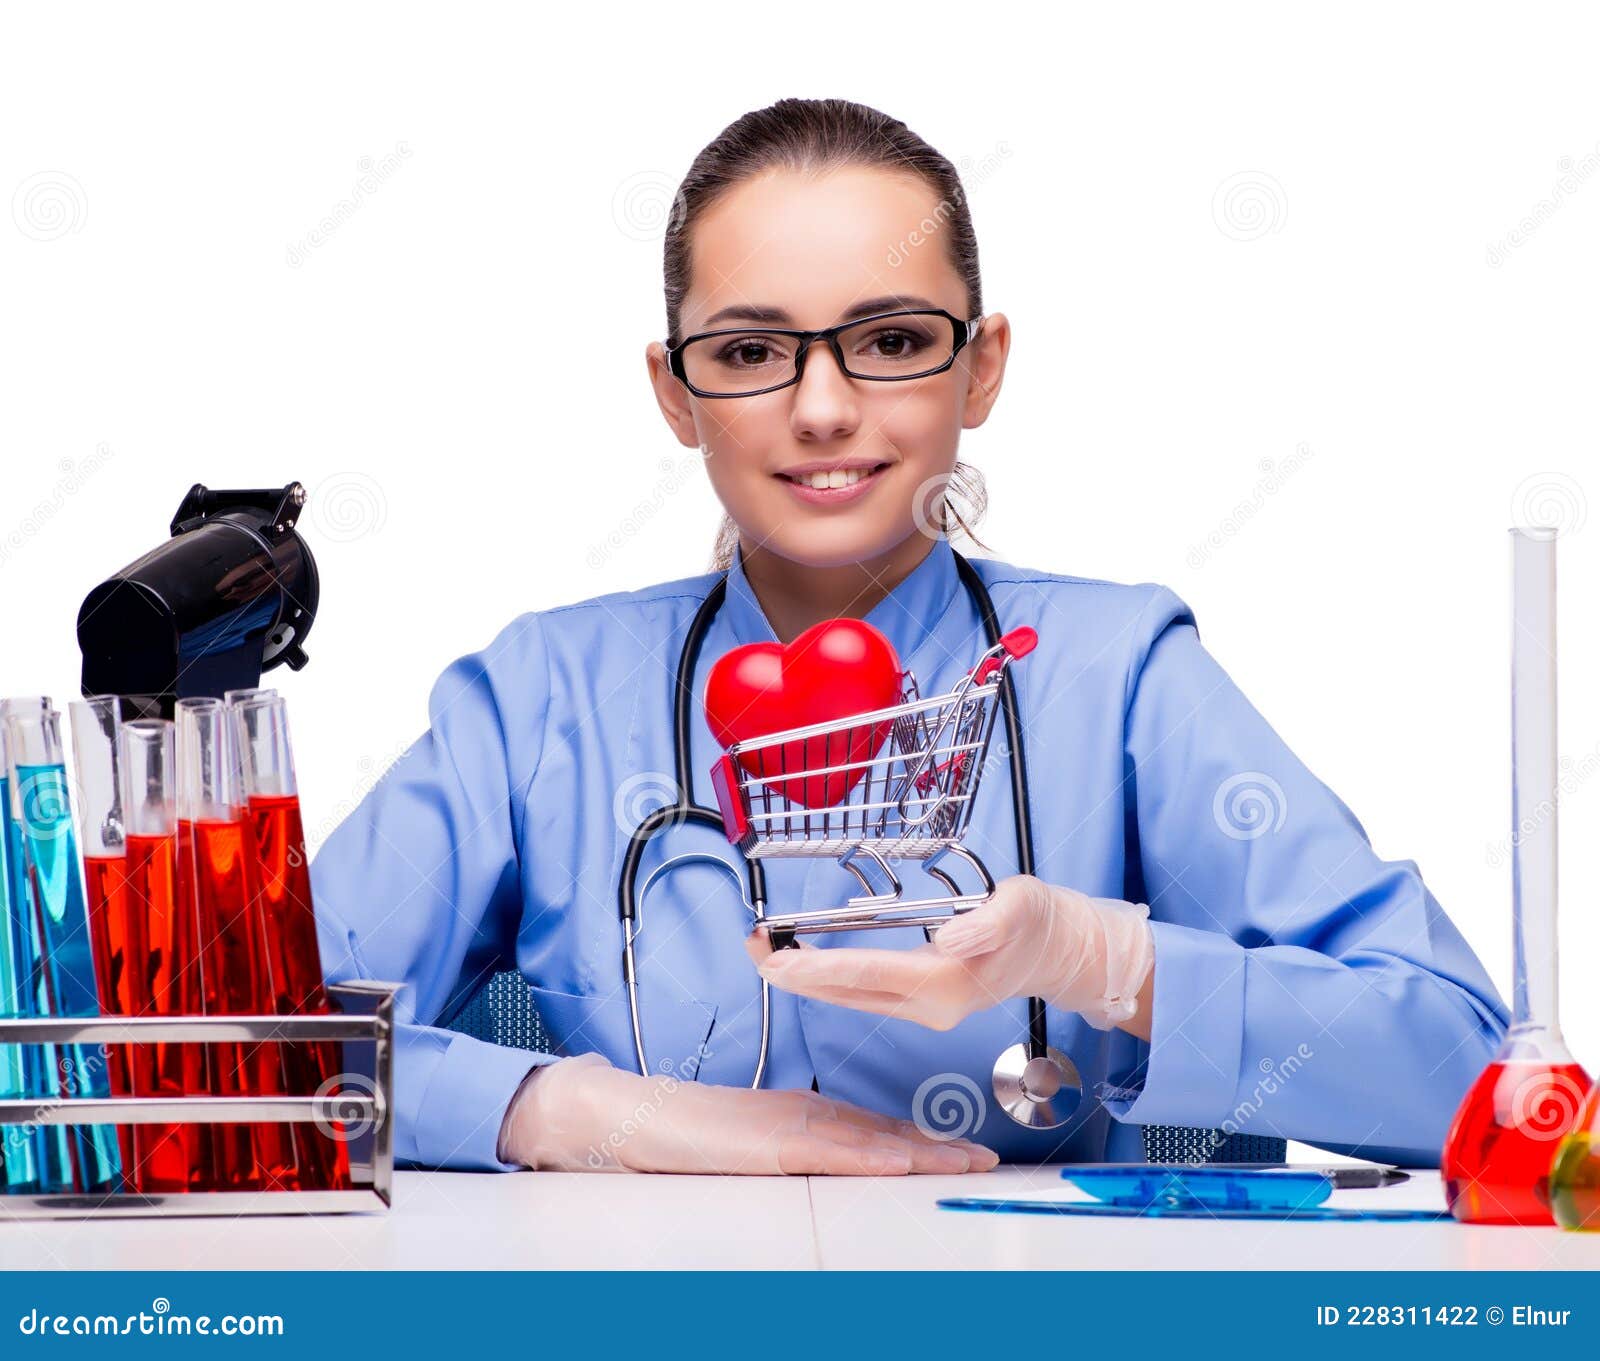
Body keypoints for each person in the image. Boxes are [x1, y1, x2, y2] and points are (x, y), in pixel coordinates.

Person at [308, 97, 1507, 1176]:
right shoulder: (542, 696)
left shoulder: (1117, 675)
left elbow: (1471, 1072)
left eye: (888, 342)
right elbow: (237, 1047)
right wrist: (547, 1105)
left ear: (979, 368)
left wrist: (1112, 965)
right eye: (749, 352)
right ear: (675, 393)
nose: (824, 409)